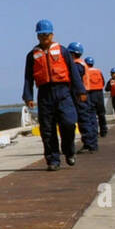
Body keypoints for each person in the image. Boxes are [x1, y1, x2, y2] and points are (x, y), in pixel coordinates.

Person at [23, 19, 85, 169]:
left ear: (52, 34)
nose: (44, 37)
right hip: (44, 94)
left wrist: (80, 91)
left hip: (63, 91)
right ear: (37, 36)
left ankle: (69, 151)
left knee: (69, 123)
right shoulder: (32, 55)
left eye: (46, 34)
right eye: (41, 35)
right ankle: (53, 160)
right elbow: (28, 77)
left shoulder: (63, 51)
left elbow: (73, 72)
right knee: (47, 129)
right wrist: (28, 96)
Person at [67, 43, 98, 152]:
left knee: (83, 119)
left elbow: (74, 80)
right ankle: (92, 143)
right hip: (86, 94)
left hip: (80, 95)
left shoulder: (76, 65)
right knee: (89, 118)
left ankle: (89, 144)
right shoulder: (82, 64)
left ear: (72, 53)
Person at [83, 56, 108, 138]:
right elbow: (103, 82)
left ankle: (94, 131)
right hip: (99, 93)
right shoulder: (98, 71)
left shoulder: (85, 71)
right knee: (101, 113)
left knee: (92, 113)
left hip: (90, 93)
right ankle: (104, 130)